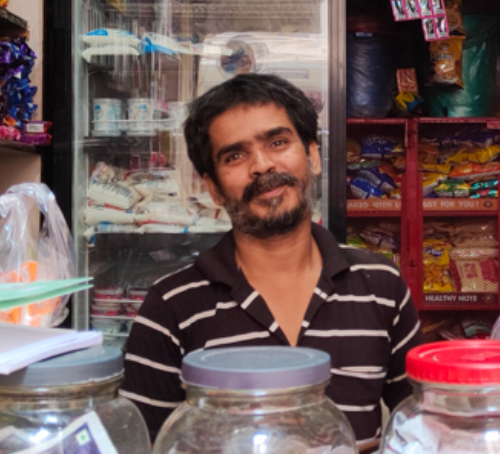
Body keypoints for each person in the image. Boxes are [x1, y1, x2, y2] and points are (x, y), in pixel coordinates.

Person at [120, 74, 420, 446]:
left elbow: (417, 427)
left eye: (278, 142)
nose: (262, 165)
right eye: (235, 155)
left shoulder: (380, 284)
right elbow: (144, 443)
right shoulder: (171, 305)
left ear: (312, 156)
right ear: (213, 188)